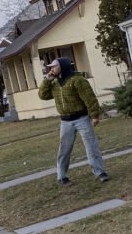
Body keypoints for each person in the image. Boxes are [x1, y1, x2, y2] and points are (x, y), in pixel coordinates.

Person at [38, 57, 109, 186]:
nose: (51, 69)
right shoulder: (54, 83)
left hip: (81, 118)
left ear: (63, 67)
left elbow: (90, 98)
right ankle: (62, 176)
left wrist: (94, 115)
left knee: (91, 146)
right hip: (65, 122)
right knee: (64, 149)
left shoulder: (78, 80)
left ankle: (100, 172)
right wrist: (47, 81)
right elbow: (43, 95)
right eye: (50, 67)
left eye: (54, 66)